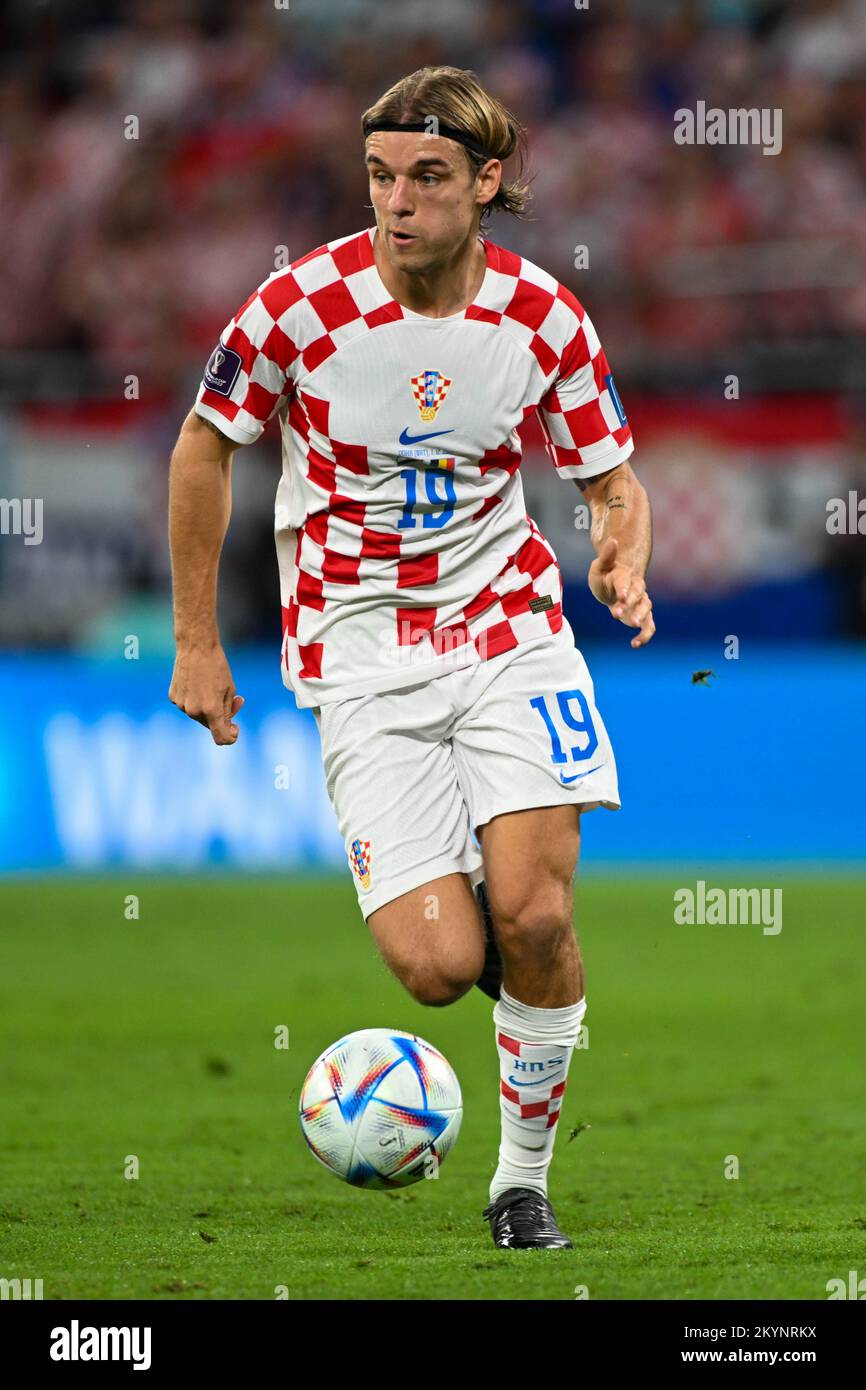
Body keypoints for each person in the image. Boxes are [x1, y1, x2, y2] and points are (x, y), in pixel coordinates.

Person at [168, 65, 654, 1250]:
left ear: (485, 182)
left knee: (535, 912)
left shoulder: (543, 317)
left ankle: (519, 1183)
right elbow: (200, 445)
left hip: (506, 630)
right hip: (358, 654)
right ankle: (541, 993)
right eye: (380, 176)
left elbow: (609, 481)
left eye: (427, 177)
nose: (396, 202)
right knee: (437, 966)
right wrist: (194, 639)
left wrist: (619, 556)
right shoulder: (297, 307)